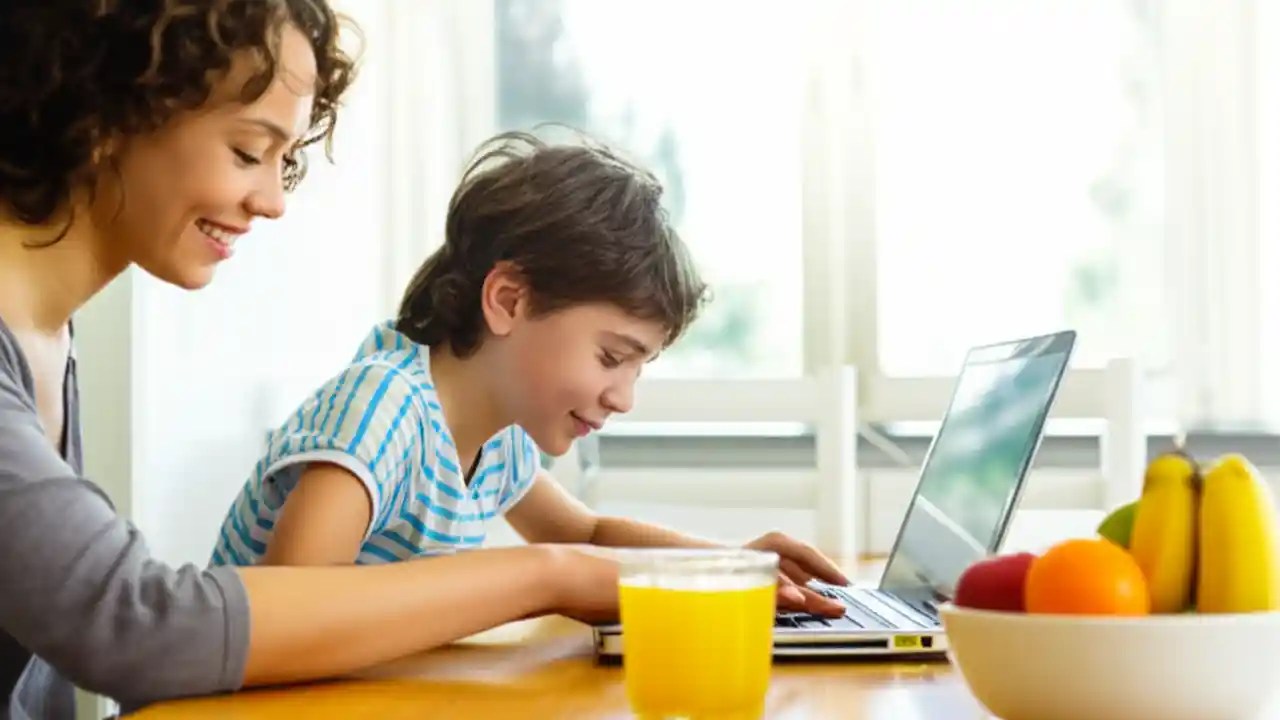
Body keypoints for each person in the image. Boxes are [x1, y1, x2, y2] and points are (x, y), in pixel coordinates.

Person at [0, 2, 621, 718]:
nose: (271, 201)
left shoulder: (46, 334)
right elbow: (138, 625)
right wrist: (546, 575)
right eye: (246, 151)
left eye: (283, 160)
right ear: (105, 111)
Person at [208, 130, 852, 639]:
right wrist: (533, 582)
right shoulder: (381, 408)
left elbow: (585, 536)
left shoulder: (498, 436)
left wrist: (731, 566)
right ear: (509, 301)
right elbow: (289, 611)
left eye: (637, 368)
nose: (623, 397)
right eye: (610, 357)